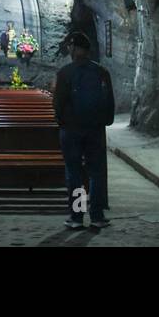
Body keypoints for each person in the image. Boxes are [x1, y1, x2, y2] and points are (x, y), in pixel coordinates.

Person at [52, 31, 114, 229]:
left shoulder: (65, 73)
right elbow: (109, 101)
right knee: (96, 172)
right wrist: (105, 121)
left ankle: (77, 217)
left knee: (75, 172)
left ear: (74, 48)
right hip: (95, 129)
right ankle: (96, 215)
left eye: (71, 46)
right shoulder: (101, 71)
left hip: (71, 130)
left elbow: (58, 103)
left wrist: (63, 122)